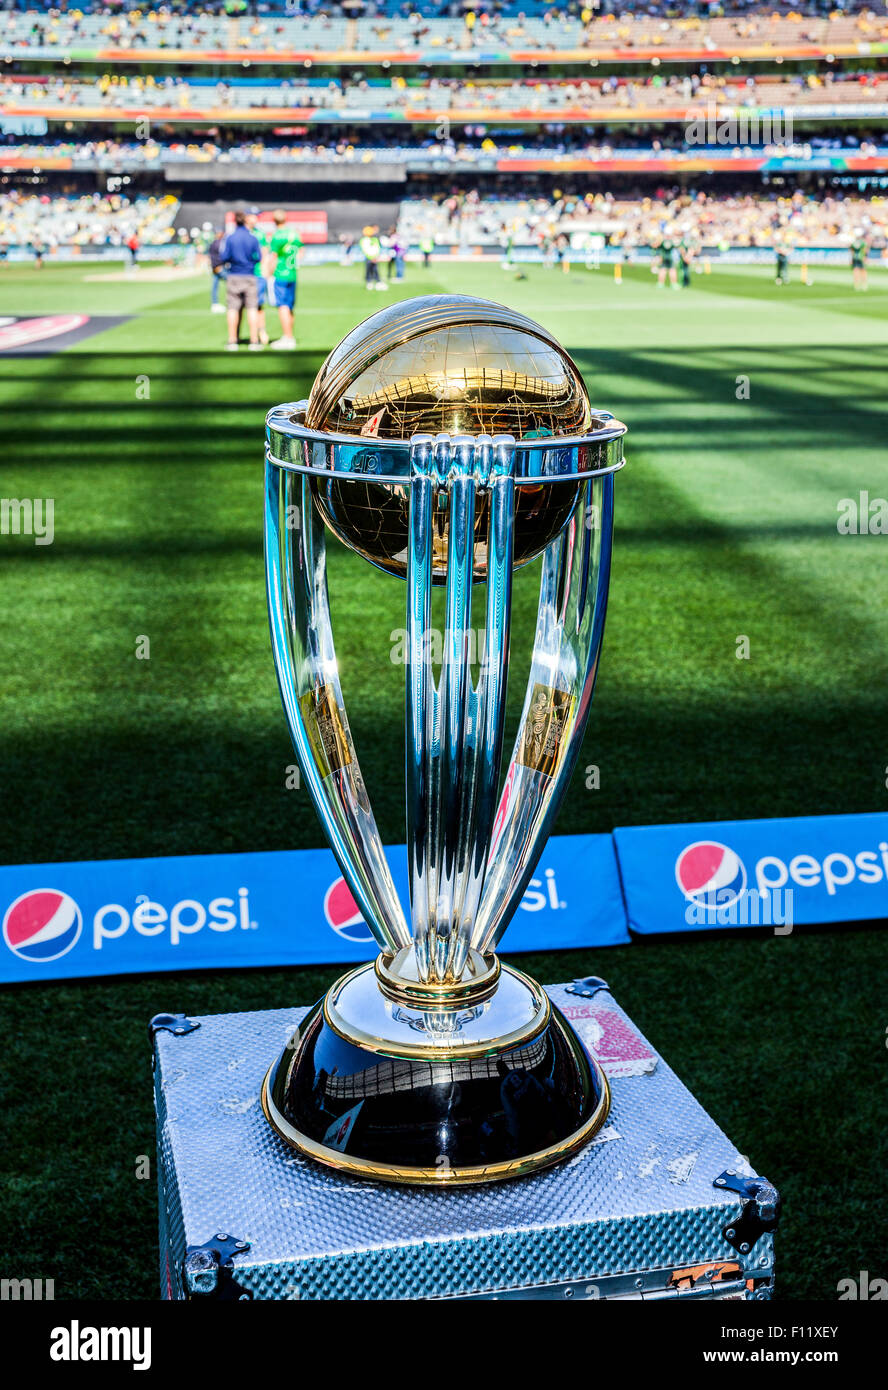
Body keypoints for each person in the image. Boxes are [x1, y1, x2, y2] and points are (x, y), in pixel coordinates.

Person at [221, 210, 262, 351]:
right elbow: (258, 257)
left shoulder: (230, 238)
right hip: (249, 275)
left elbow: (224, 256)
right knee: (252, 308)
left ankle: (232, 341)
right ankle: (254, 341)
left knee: (232, 308)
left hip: (234, 275)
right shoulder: (252, 238)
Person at [269, 208, 302, 351]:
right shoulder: (294, 233)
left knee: (282, 306)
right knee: (290, 306)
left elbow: (273, 257)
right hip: (292, 273)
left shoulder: (276, 236)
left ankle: (287, 337)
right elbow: (301, 251)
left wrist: (268, 273)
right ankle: (290, 336)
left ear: (274, 220)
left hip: (281, 273)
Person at [246, 212, 270, 345]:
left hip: (258, 273)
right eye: (253, 215)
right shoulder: (243, 233)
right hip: (244, 274)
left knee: (258, 305)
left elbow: (265, 253)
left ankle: (260, 332)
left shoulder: (260, 234)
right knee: (242, 306)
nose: (256, 219)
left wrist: (265, 270)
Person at [360, 225, 385, 290]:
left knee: (375, 270)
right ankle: (369, 283)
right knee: (368, 270)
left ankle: (378, 282)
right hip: (369, 258)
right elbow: (365, 250)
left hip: (375, 258)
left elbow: (377, 248)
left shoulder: (375, 239)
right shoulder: (364, 240)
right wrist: (371, 258)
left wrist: (376, 257)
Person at [209, 228, 226, 313]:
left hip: (216, 267)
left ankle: (215, 303)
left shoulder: (215, 243)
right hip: (219, 268)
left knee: (215, 286)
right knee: (232, 283)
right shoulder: (218, 243)